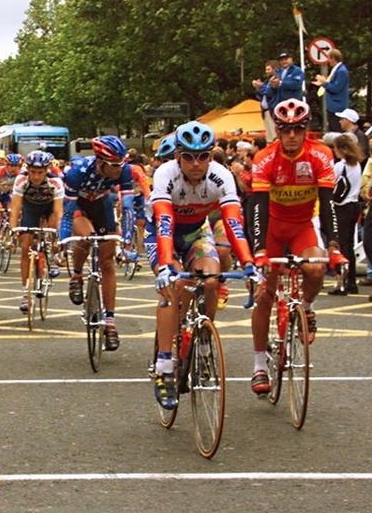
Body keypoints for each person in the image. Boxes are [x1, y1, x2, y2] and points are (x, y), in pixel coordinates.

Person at [146, 121, 257, 408]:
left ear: (211, 156)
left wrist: (248, 264)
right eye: (188, 157)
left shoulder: (220, 176)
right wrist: (166, 267)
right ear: (177, 157)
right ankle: (165, 367)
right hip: (163, 233)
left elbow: (233, 223)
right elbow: (165, 223)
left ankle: (204, 337)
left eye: (203, 156)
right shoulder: (165, 175)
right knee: (174, 286)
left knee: (210, 278)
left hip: (197, 231)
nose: (196, 164)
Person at [248, 99, 346, 395]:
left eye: (298, 129)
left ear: (307, 130)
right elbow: (258, 207)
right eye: (286, 129)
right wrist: (259, 249)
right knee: (265, 295)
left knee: (316, 268)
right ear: (277, 130)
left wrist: (334, 245)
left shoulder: (321, 154)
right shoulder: (265, 158)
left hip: (303, 226)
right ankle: (258, 366)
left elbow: (329, 204)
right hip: (272, 229)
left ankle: (306, 307)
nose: (292, 135)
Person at [59, 135, 134, 351]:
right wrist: (63, 239)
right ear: (101, 162)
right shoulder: (76, 173)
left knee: (107, 262)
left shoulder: (125, 171)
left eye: (122, 163)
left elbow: (127, 208)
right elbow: (67, 213)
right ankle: (76, 274)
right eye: (114, 165)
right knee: (87, 236)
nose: (120, 169)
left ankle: (110, 323)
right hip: (79, 207)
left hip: (101, 204)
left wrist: (127, 241)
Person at [9, 150, 64, 311]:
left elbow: (58, 211)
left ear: (47, 170)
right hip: (31, 209)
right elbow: (16, 207)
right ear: (28, 170)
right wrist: (13, 229)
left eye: (40, 172)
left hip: (49, 209)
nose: (36, 176)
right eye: (33, 172)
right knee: (26, 248)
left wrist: (56, 234)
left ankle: (52, 254)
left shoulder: (56, 182)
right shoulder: (21, 180)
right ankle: (26, 293)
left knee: (53, 227)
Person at [328, 133, 362, 295]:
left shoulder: (340, 166)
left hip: (341, 206)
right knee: (348, 244)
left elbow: (330, 184)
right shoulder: (356, 165)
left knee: (340, 246)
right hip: (354, 205)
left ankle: (342, 282)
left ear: (341, 149)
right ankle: (351, 281)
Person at [312, 49, 349, 132]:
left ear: (333, 58)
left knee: (336, 130)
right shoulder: (337, 69)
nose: (328, 61)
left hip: (337, 106)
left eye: (329, 58)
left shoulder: (341, 71)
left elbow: (336, 88)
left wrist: (324, 82)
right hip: (333, 106)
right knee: (332, 129)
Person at [252, 60, 280, 141]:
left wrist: (261, 86)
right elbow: (261, 96)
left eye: (268, 69)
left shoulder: (276, 79)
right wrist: (258, 88)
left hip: (272, 110)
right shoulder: (267, 81)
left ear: (275, 69)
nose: (266, 71)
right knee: (269, 136)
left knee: (274, 135)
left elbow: (269, 93)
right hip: (265, 111)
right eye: (266, 69)